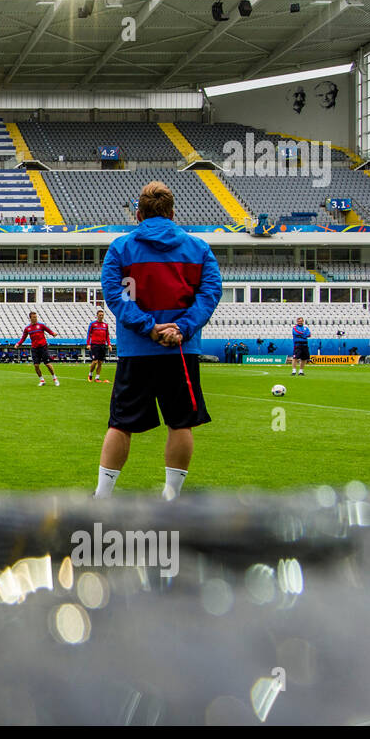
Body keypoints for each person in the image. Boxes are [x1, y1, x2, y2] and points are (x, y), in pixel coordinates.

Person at [94, 181, 221, 502]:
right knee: (180, 422)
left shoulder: (120, 248)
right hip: (180, 348)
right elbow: (209, 294)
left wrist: (148, 327)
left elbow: (116, 296)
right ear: (173, 213)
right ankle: (171, 498)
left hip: (137, 349)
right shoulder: (198, 248)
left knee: (121, 423)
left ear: (138, 213)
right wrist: (181, 328)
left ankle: (102, 497)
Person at [16, 311, 60, 387]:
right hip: (34, 348)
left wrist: (53, 334)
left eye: (36, 317)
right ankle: (42, 380)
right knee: (36, 365)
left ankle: (55, 378)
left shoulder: (41, 325)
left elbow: (48, 330)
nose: (35, 318)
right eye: (34, 317)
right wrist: (18, 343)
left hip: (43, 347)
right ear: (30, 318)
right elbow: (23, 338)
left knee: (47, 364)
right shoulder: (27, 328)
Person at [86, 308, 112, 383]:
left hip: (102, 345)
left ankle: (97, 378)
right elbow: (89, 334)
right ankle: (90, 374)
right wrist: (88, 344)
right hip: (94, 345)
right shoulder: (93, 324)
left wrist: (109, 344)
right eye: (100, 315)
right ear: (97, 315)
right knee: (95, 361)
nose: (101, 316)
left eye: (102, 315)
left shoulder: (105, 325)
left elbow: (107, 335)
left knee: (100, 362)